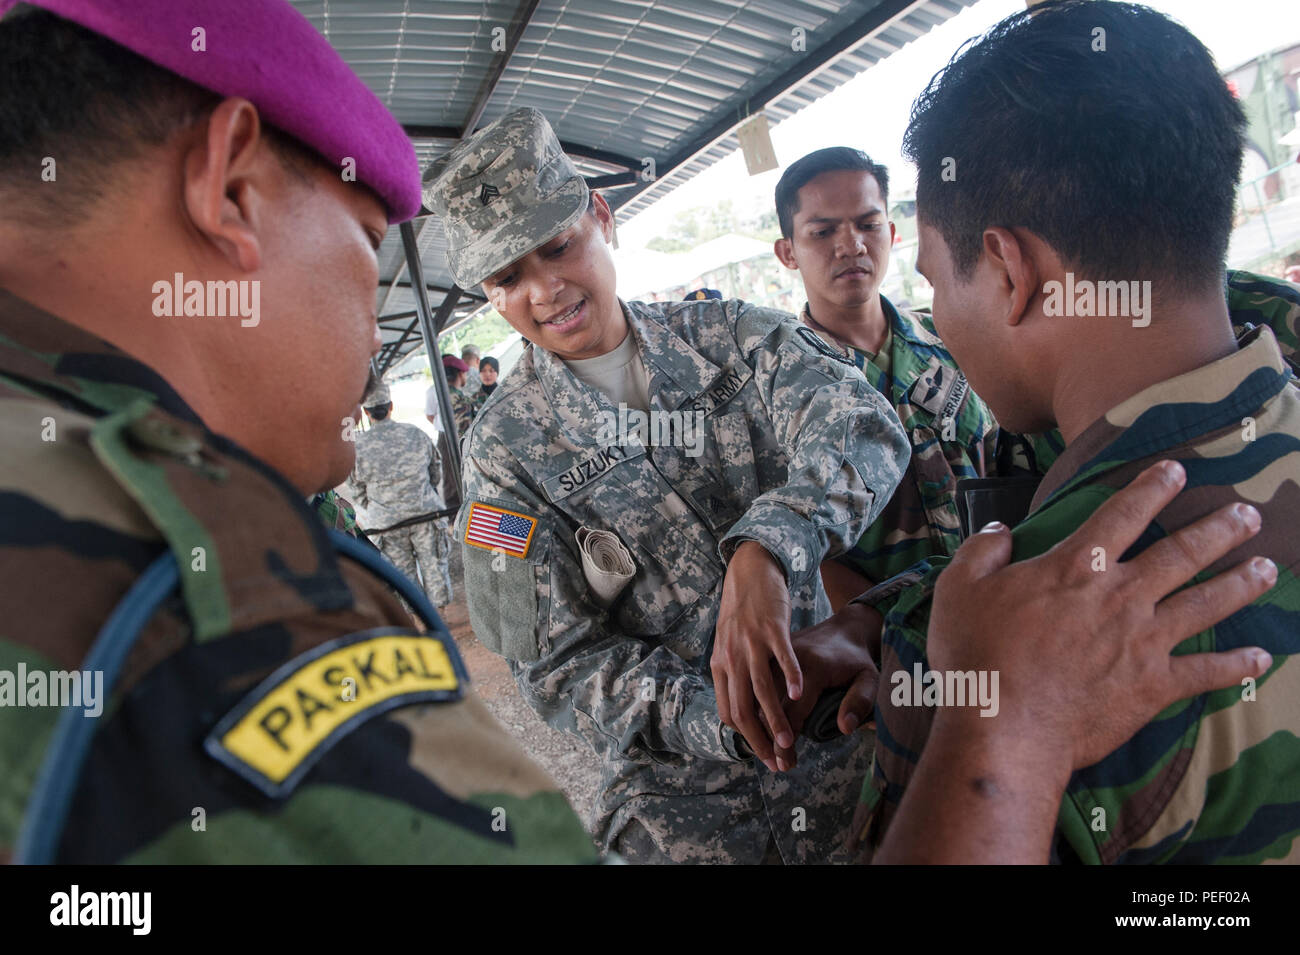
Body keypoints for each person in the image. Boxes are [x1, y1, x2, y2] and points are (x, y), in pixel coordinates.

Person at [0, 0, 598, 863]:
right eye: (364, 245)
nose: (366, 341)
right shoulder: (201, 569)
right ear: (233, 189)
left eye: (560, 248)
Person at [803, 0, 1300, 863]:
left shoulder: (998, 682)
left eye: (935, 278)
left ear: (1009, 268)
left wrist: (986, 724)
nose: (936, 314)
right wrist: (889, 616)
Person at [428, 106, 912, 863]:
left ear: (601, 216)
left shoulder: (728, 339)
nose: (546, 289)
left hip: (843, 773)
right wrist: (722, 712)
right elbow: (557, 668)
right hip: (688, 819)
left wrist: (769, 543)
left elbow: (864, 426)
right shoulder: (501, 455)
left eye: (558, 246)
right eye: (508, 276)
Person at [771, 147, 998, 611]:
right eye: (823, 231)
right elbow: (797, 548)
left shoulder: (957, 338)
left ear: (891, 234)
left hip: (1005, 599)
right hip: (886, 645)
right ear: (788, 252)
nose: (851, 245)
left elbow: (1008, 459)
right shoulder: (778, 388)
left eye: (868, 225)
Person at [350, 380, 455, 610]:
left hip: (387, 525)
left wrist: (382, 506)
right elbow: (435, 473)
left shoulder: (358, 446)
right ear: (391, 406)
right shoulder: (415, 434)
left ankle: (421, 623)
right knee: (434, 566)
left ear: (366, 413)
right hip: (426, 514)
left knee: (403, 576)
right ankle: (442, 620)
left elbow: (357, 491)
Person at [443, 353, 483, 439]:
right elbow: (466, 434)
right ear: (461, 374)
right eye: (465, 374)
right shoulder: (461, 401)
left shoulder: (443, 396)